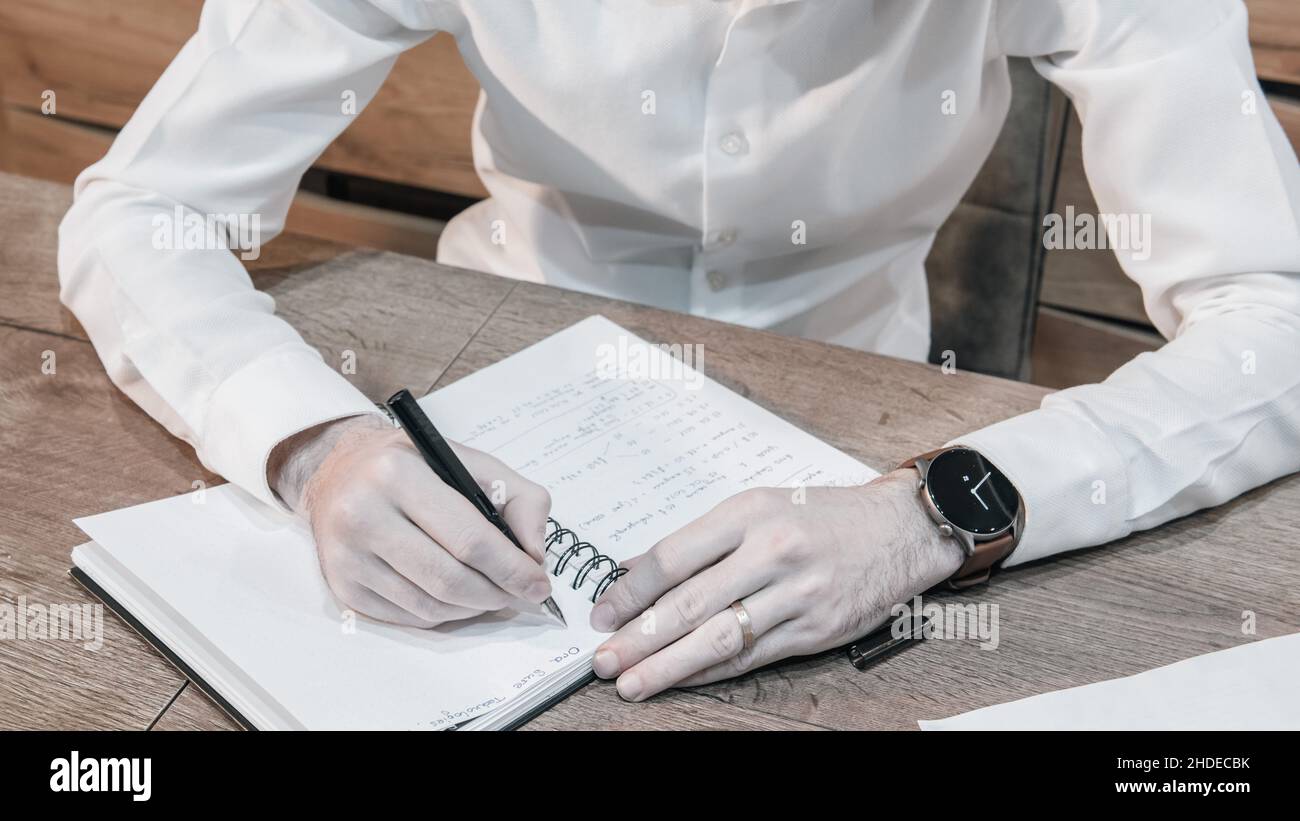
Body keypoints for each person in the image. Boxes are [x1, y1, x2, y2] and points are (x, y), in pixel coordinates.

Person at [59, 0, 1300, 703]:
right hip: (481, 414)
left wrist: (937, 513)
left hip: (859, 440)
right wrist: (308, 440)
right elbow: (138, 212)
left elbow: (1275, 314)